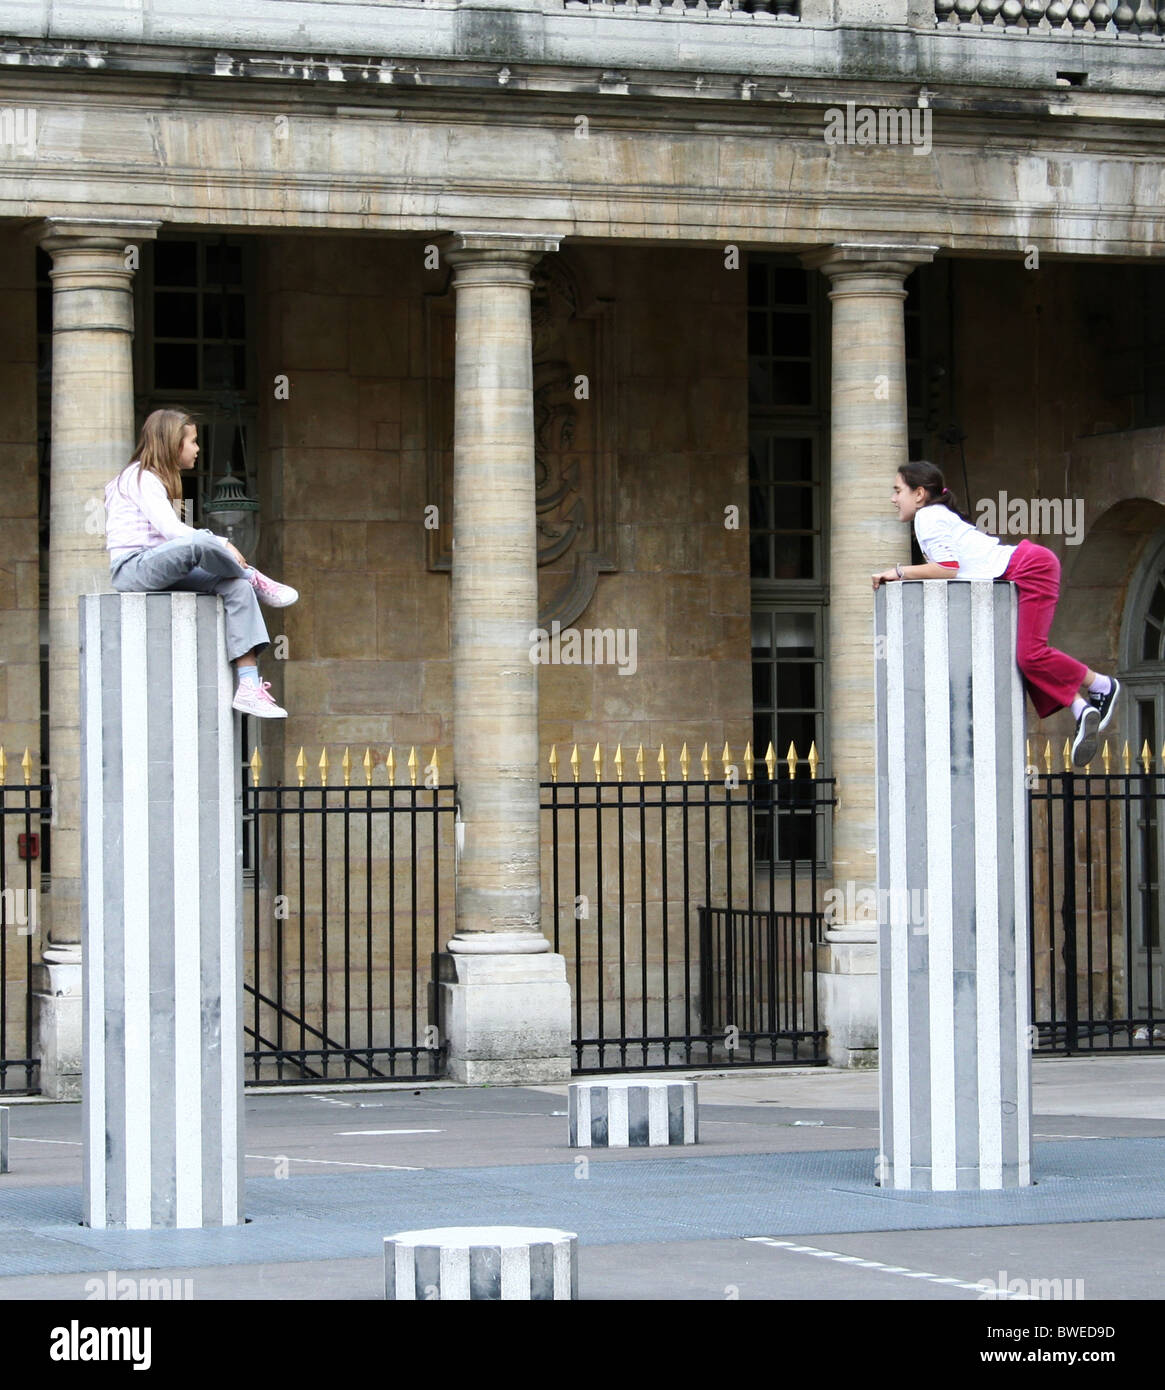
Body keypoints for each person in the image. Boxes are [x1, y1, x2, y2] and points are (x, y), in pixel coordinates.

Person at [871, 460, 1119, 768]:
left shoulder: (927, 518)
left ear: (919, 493)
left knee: (1031, 655)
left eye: (898, 491)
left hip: (1031, 569)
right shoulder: (934, 516)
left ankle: (1101, 685)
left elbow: (948, 568)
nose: (894, 498)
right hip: (1022, 571)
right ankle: (1082, 709)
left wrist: (898, 571)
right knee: (1020, 658)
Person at [104, 408, 297, 719]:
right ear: (171, 443)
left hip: (163, 568)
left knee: (236, 588)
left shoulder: (164, 483)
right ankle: (254, 575)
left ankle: (248, 686)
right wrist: (221, 543)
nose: (197, 449)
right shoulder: (139, 477)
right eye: (192, 441)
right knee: (199, 541)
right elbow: (174, 534)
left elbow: (173, 541)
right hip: (134, 568)